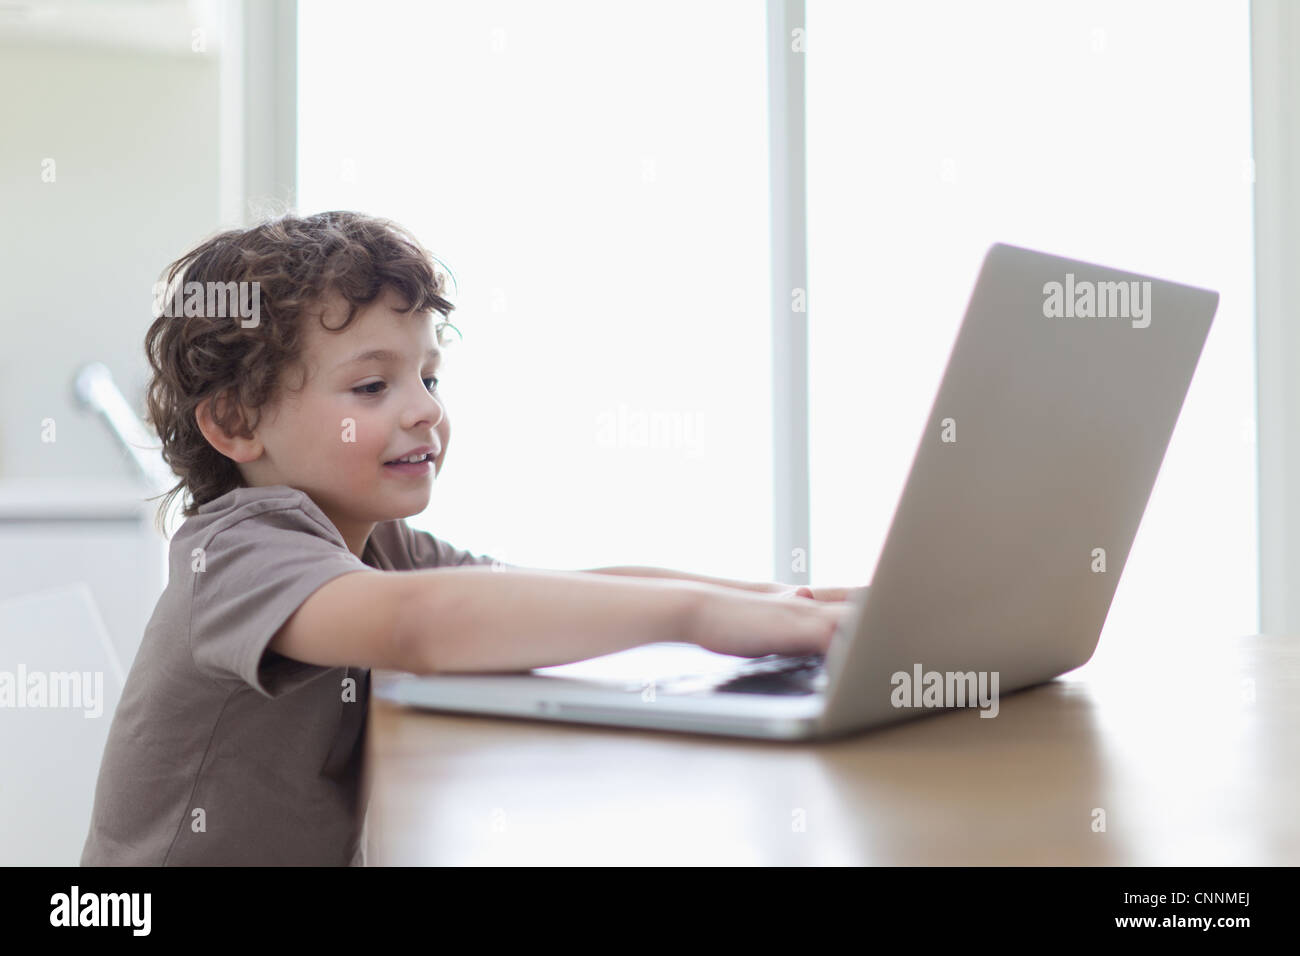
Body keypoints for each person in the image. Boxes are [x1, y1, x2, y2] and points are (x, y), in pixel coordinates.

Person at [80, 210, 859, 866]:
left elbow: (529, 594)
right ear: (235, 423)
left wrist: (790, 602)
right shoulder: (237, 550)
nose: (423, 410)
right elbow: (424, 625)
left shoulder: (370, 546)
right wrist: (698, 621)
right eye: (372, 386)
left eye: (430, 378)